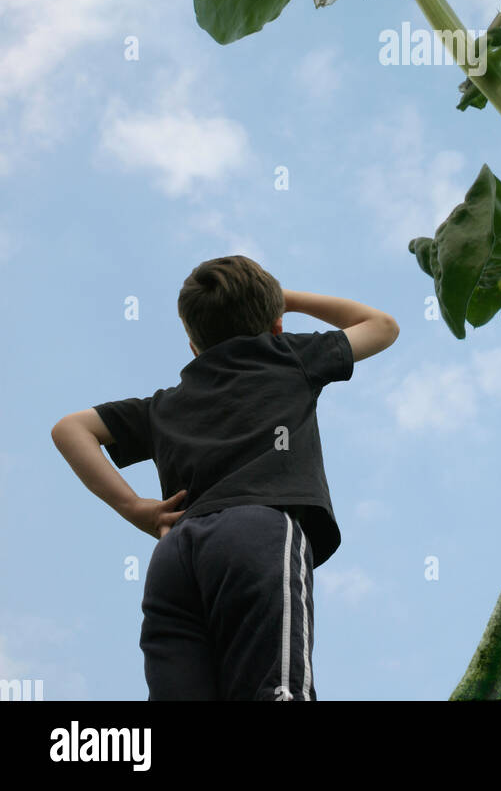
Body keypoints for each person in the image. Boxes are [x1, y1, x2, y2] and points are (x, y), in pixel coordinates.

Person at [50, 254, 399, 700]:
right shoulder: (287, 357)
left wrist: (134, 507)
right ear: (275, 326)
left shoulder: (162, 406)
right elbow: (382, 325)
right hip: (256, 534)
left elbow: (70, 429)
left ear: (194, 346)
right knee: (274, 690)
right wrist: (284, 300)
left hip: (176, 554)